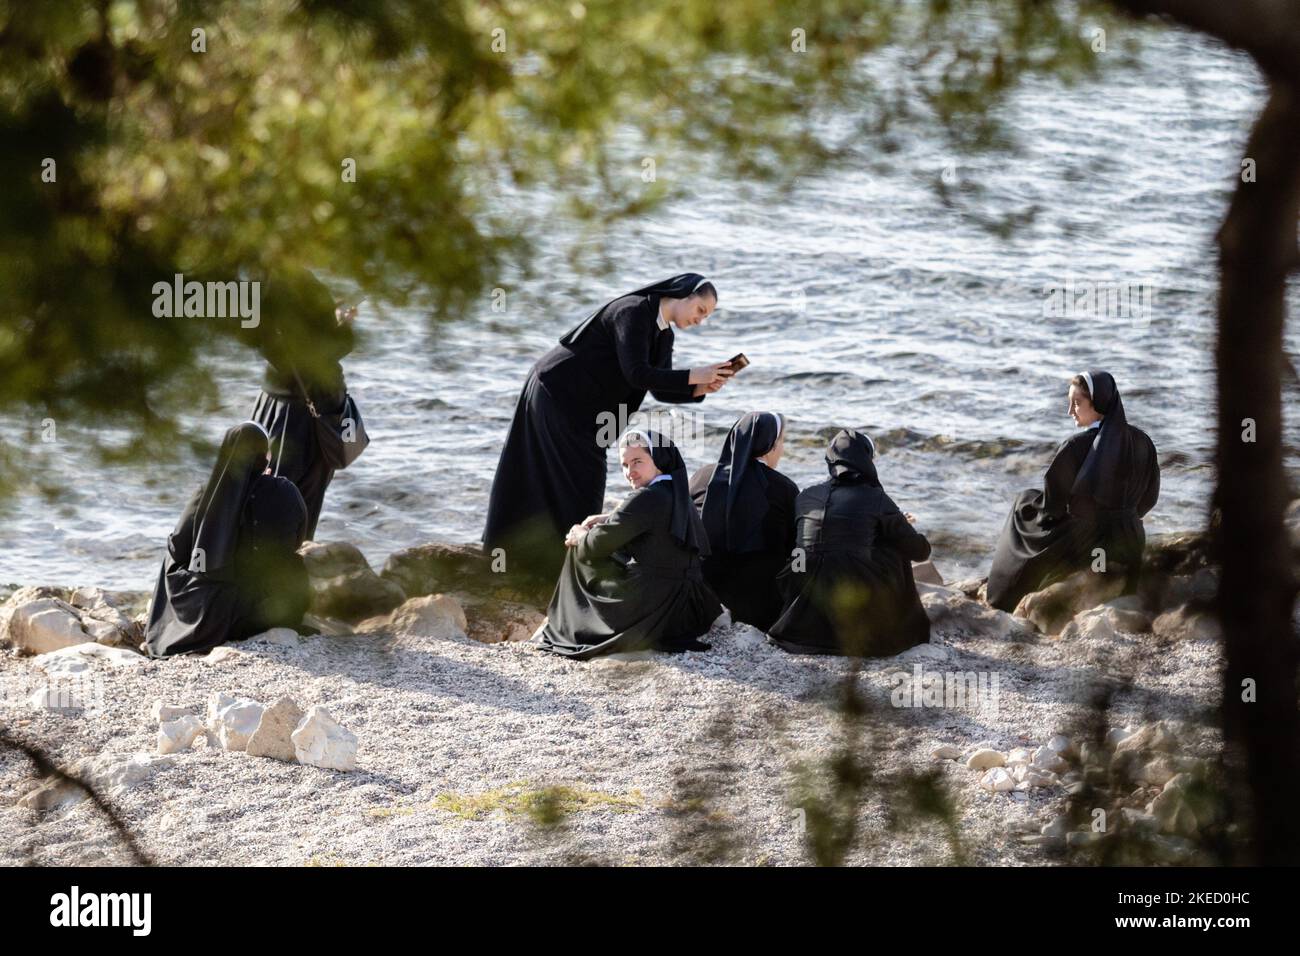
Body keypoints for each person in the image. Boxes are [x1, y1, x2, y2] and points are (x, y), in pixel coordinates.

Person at [483, 273, 734, 585]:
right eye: (700, 310)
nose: (700, 320)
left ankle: (557, 560)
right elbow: (637, 374)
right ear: (683, 294)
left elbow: (659, 388)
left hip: (586, 408)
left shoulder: (663, 334)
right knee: (572, 476)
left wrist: (702, 387)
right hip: (558, 392)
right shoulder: (633, 310)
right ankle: (564, 562)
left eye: (706, 316)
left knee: (571, 478)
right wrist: (694, 374)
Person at [534, 429, 722, 659]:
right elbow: (644, 521)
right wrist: (608, 517)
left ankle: (568, 623)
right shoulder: (675, 489)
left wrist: (579, 534)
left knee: (579, 550)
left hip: (654, 605)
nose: (629, 472)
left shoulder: (645, 498)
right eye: (624, 465)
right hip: (688, 605)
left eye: (637, 462)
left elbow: (596, 546)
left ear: (658, 459)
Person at [987, 370, 1160, 611]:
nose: (1070, 411)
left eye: (1076, 403)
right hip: (1130, 539)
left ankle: (1002, 590)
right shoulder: (1144, 441)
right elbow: (1149, 499)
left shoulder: (1075, 446)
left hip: (1088, 545)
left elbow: (1052, 509)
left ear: (1098, 403)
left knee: (1023, 503)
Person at [145, 421, 311, 657]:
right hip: (275, 606)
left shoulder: (208, 492)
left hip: (217, 615)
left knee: (171, 555)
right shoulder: (286, 489)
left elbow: (179, 547)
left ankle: (164, 626)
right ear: (265, 456)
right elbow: (297, 540)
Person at [768, 428, 931, 656]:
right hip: (852, 593)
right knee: (895, 547)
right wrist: (898, 526)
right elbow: (920, 551)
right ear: (866, 461)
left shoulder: (806, 495)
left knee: (806, 554)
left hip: (798, 606)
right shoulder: (876, 498)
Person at [248, 268, 361, 541]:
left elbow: (274, 342)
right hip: (304, 406)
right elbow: (309, 357)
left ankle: (264, 567)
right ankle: (286, 570)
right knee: (294, 497)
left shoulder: (263, 277)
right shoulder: (293, 282)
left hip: (279, 402)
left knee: (266, 491)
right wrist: (344, 328)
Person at [689, 411, 799, 631]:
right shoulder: (783, 487)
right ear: (771, 446)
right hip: (762, 606)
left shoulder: (702, 476)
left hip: (704, 596)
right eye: (782, 441)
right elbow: (794, 546)